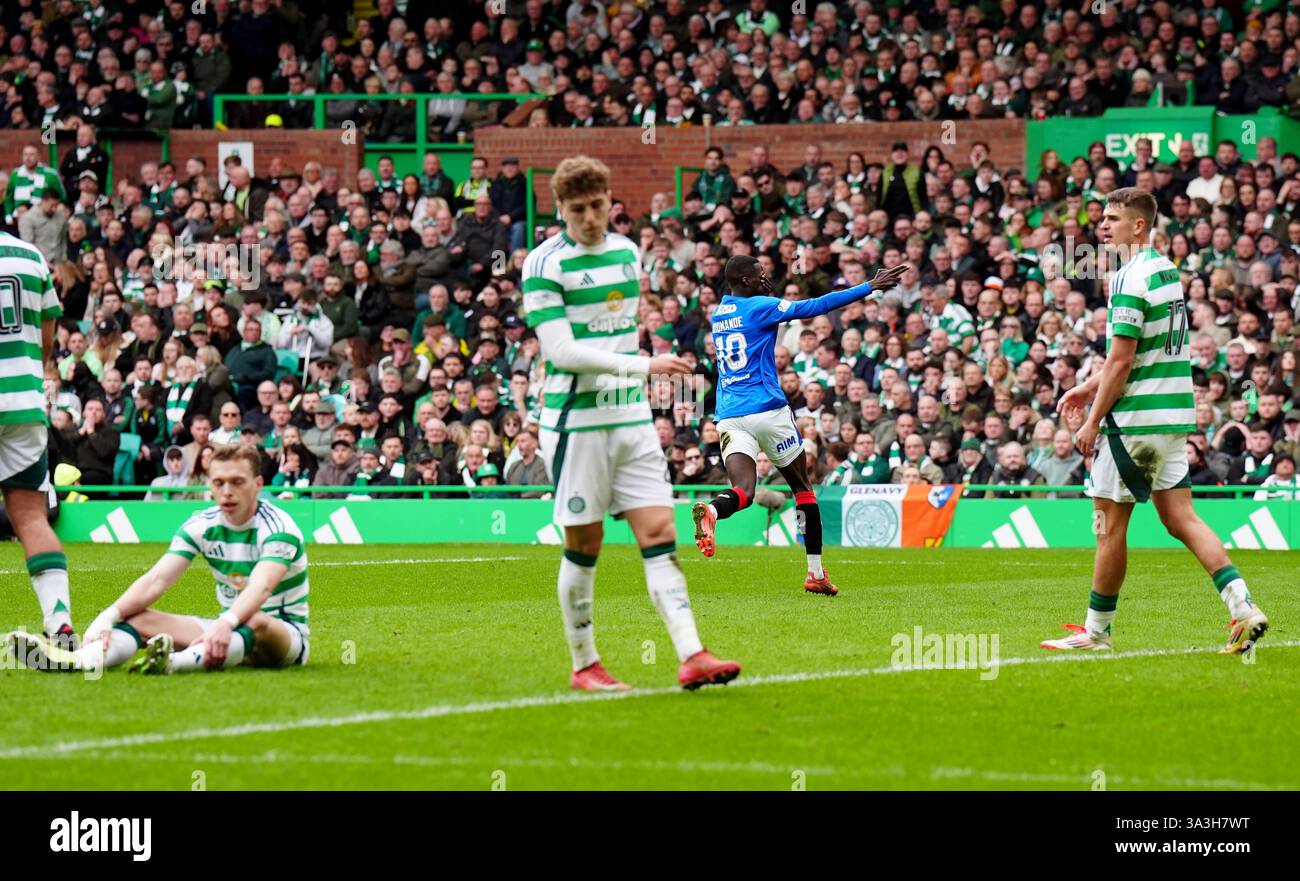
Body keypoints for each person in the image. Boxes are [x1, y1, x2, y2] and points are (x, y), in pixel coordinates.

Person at [522, 155, 739, 692]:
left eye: (598, 206)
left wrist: (637, 375)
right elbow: (563, 352)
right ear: (561, 209)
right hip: (577, 422)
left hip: (631, 417)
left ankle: (692, 654)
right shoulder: (543, 264)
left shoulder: (625, 253)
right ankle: (584, 664)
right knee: (585, 543)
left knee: (661, 533)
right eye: (578, 210)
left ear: (609, 200)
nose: (590, 218)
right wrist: (646, 366)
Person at [1042, 188, 1268, 655]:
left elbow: (1123, 362)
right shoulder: (1166, 270)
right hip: (1171, 417)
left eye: (1111, 219)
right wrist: (1088, 387)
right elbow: (1138, 351)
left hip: (1135, 422)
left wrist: (1092, 421)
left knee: (1107, 528)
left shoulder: (1128, 277)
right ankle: (1243, 606)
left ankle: (1097, 632)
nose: (1102, 226)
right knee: (1181, 518)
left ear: (1138, 225)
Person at [691, 253, 909, 594]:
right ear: (746, 281)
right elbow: (815, 307)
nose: (765, 279)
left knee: (743, 491)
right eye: (760, 274)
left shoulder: (721, 312)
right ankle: (816, 573)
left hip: (729, 414)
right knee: (802, 488)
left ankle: (714, 513)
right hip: (767, 410)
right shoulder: (760, 306)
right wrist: (869, 286)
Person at [10, 446, 310, 674]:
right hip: (225, 630)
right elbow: (157, 580)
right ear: (209, 484)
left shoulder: (279, 527)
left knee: (255, 620)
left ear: (257, 485)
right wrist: (108, 617)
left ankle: (171, 663)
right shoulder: (201, 524)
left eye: (237, 482)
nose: (227, 491)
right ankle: (78, 662)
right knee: (137, 618)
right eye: (218, 482)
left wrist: (226, 623)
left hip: (283, 637)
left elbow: (261, 587)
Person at [0, 230, 78, 653]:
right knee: (31, 518)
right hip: (23, 404)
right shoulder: (30, 255)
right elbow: (47, 342)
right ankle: (61, 625)